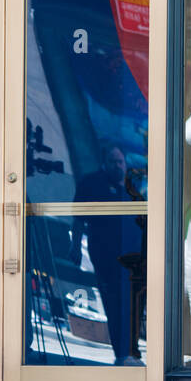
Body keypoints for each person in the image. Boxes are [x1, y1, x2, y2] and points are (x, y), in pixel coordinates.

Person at [74, 144, 142, 365]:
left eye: (120, 161)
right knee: (114, 302)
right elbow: (78, 218)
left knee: (132, 302)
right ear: (104, 163)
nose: (118, 166)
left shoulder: (133, 187)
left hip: (134, 254)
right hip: (106, 254)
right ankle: (121, 353)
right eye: (113, 161)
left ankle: (131, 351)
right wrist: (75, 246)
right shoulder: (91, 184)